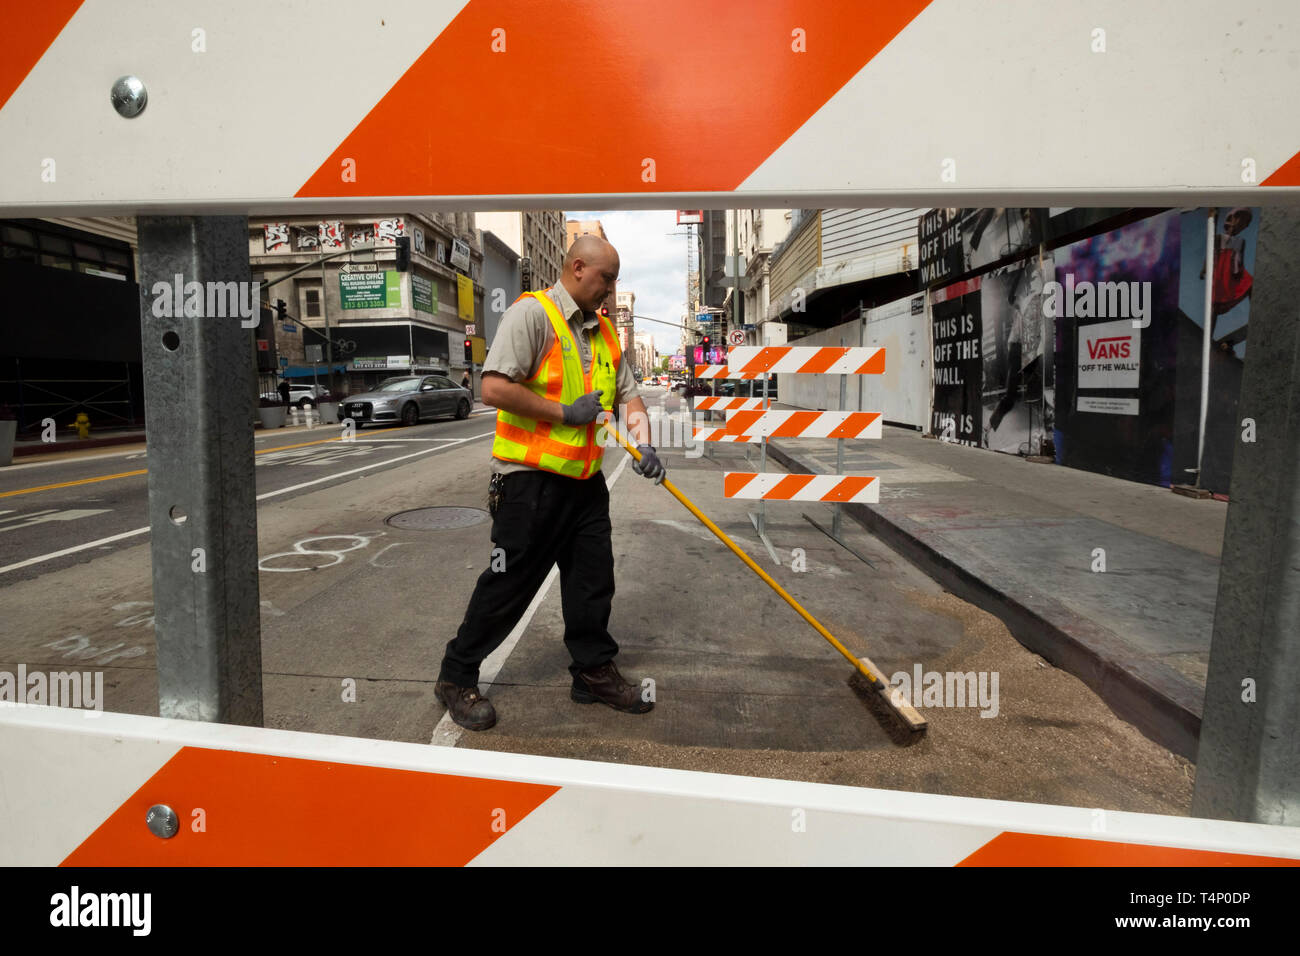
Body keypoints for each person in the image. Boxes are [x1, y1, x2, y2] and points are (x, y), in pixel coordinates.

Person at [435, 236, 666, 731]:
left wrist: (645, 443)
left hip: (584, 485)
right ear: (578, 268)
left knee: (591, 584)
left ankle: (592, 672)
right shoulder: (533, 315)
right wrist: (564, 412)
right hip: (529, 484)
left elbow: (630, 398)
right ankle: (456, 676)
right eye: (607, 278)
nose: (611, 289)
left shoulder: (605, 333)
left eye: (615, 281)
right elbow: (493, 387)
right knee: (508, 586)